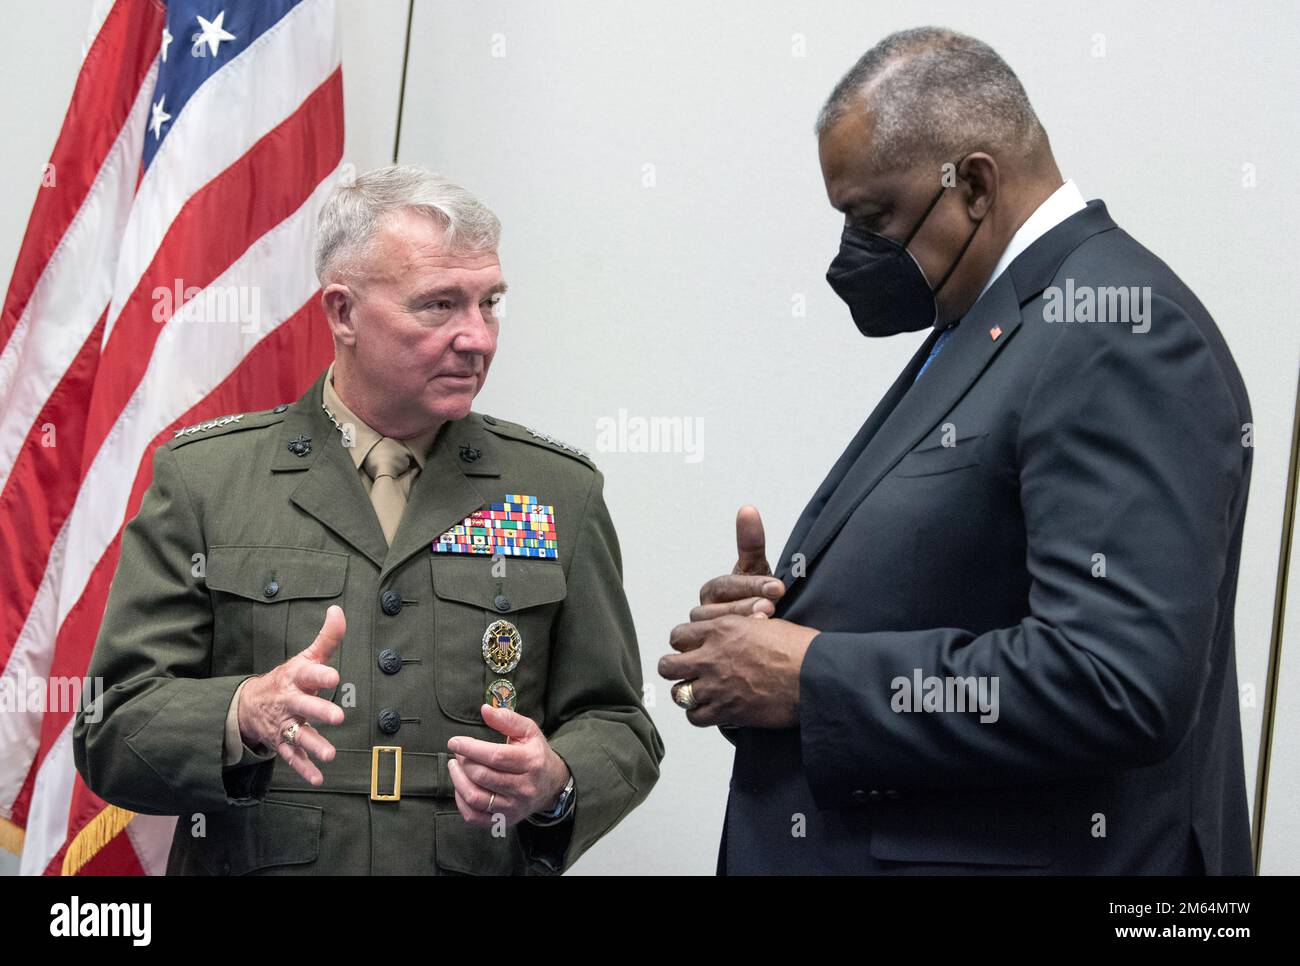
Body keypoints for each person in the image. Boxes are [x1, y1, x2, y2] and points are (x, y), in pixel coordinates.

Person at [660, 27, 1253, 875]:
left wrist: (811, 675)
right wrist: (779, 625)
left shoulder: (1116, 330)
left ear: (974, 183)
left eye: (873, 217)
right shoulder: (1005, 319)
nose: (852, 258)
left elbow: (1115, 681)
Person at [73, 164, 663, 875]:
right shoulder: (208, 482)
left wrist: (556, 780)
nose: (476, 337)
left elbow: (620, 724)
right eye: (439, 305)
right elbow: (113, 726)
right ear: (343, 313)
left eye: (490, 303)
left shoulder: (554, 492)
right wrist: (240, 713)